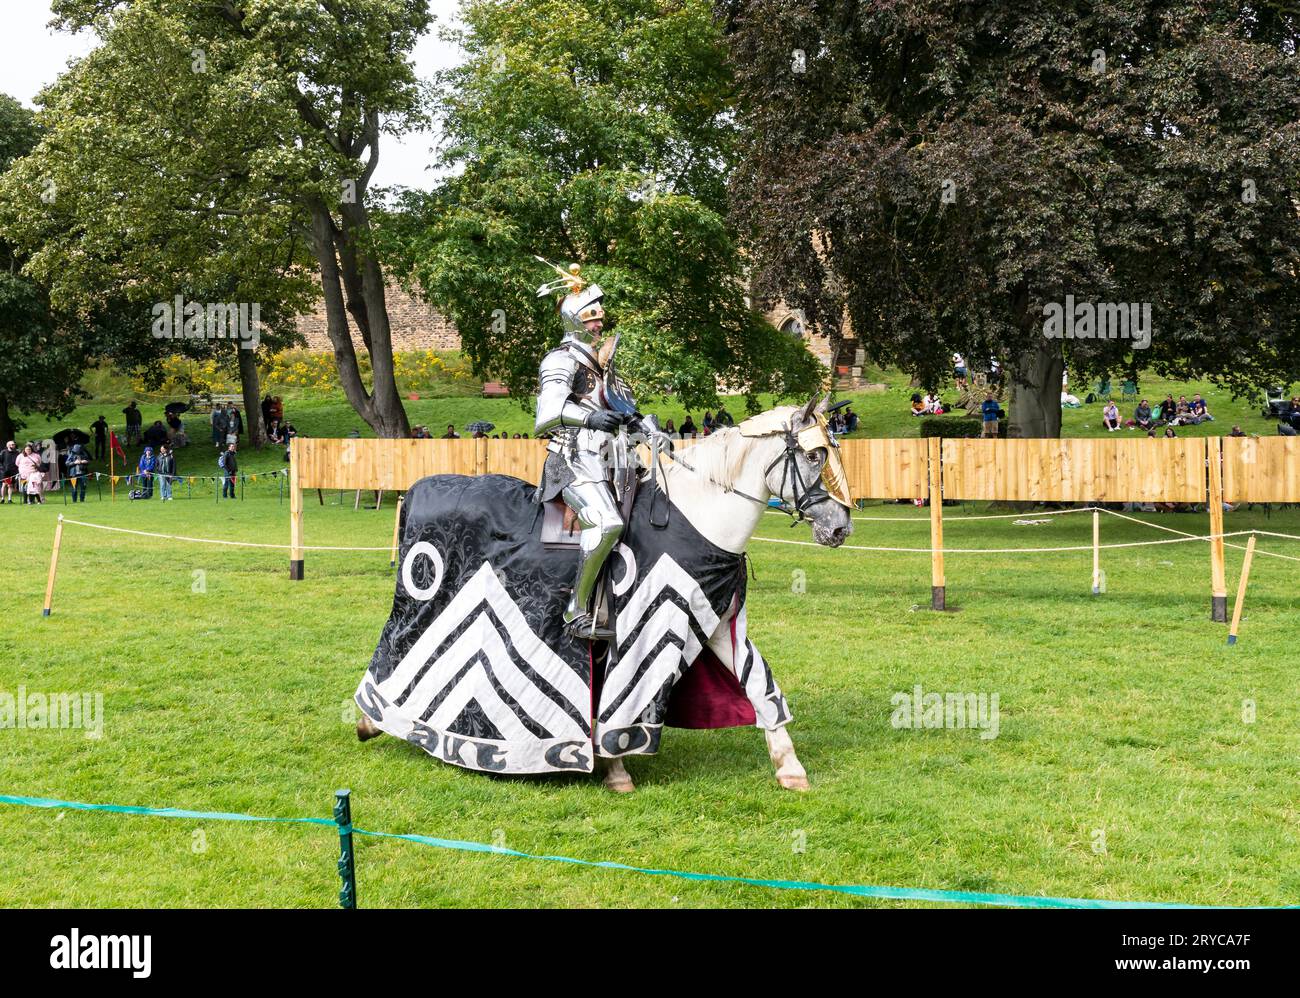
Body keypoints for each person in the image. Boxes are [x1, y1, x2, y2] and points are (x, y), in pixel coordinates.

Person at [532, 260, 671, 639]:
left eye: (600, 318)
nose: (598, 325)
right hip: (573, 461)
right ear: (575, 321)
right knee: (607, 522)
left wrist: (646, 428)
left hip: (616, 462)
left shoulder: (605, 369)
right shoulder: (561, 361)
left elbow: (625, 412)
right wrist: (589, 420)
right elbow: (545, 417)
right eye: (591, 318)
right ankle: (574, 612)